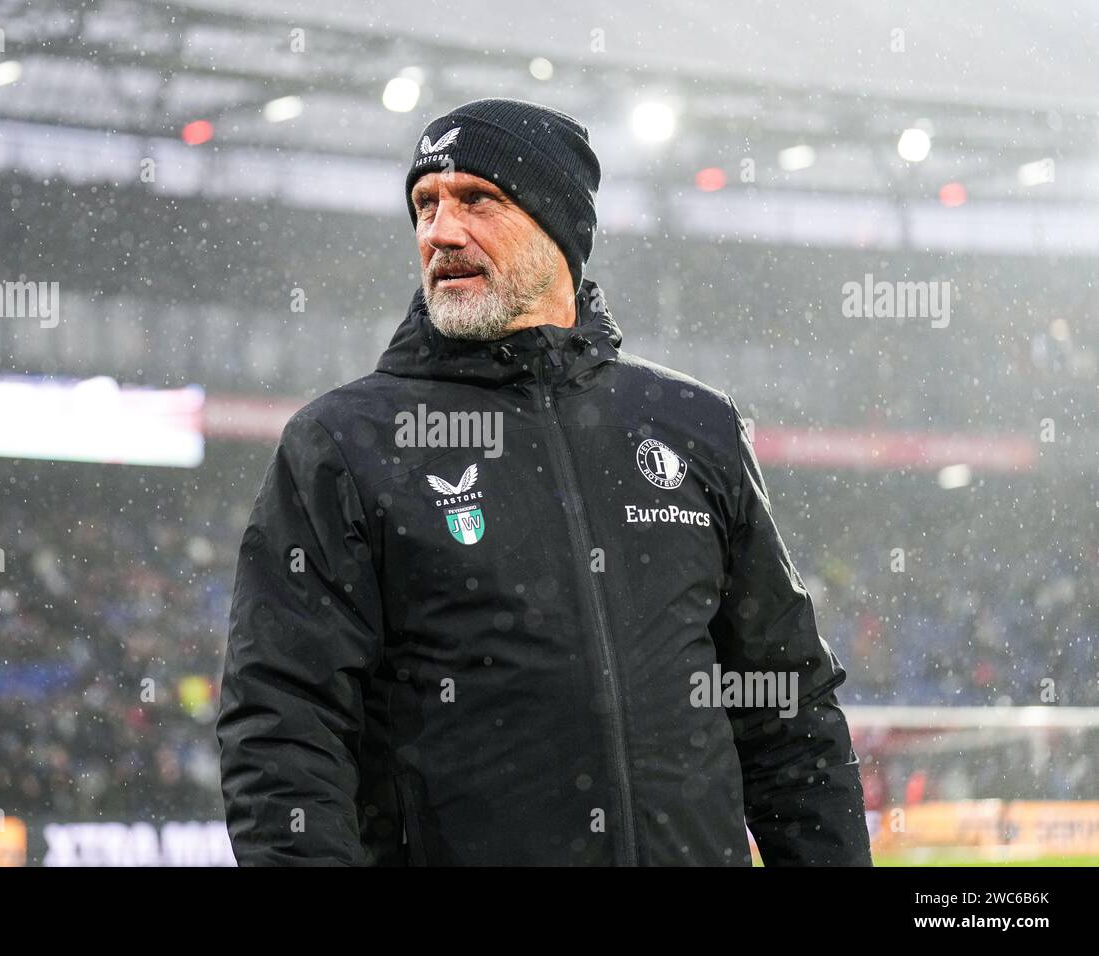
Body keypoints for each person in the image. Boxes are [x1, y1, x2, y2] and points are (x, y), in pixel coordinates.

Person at [217, 97, 872, 866]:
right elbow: (284, 730)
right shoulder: (343, 443)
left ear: (559, 226)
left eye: (477, 200)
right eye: (425, 205)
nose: (441, 232)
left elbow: (785, 708)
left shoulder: (692, 426)